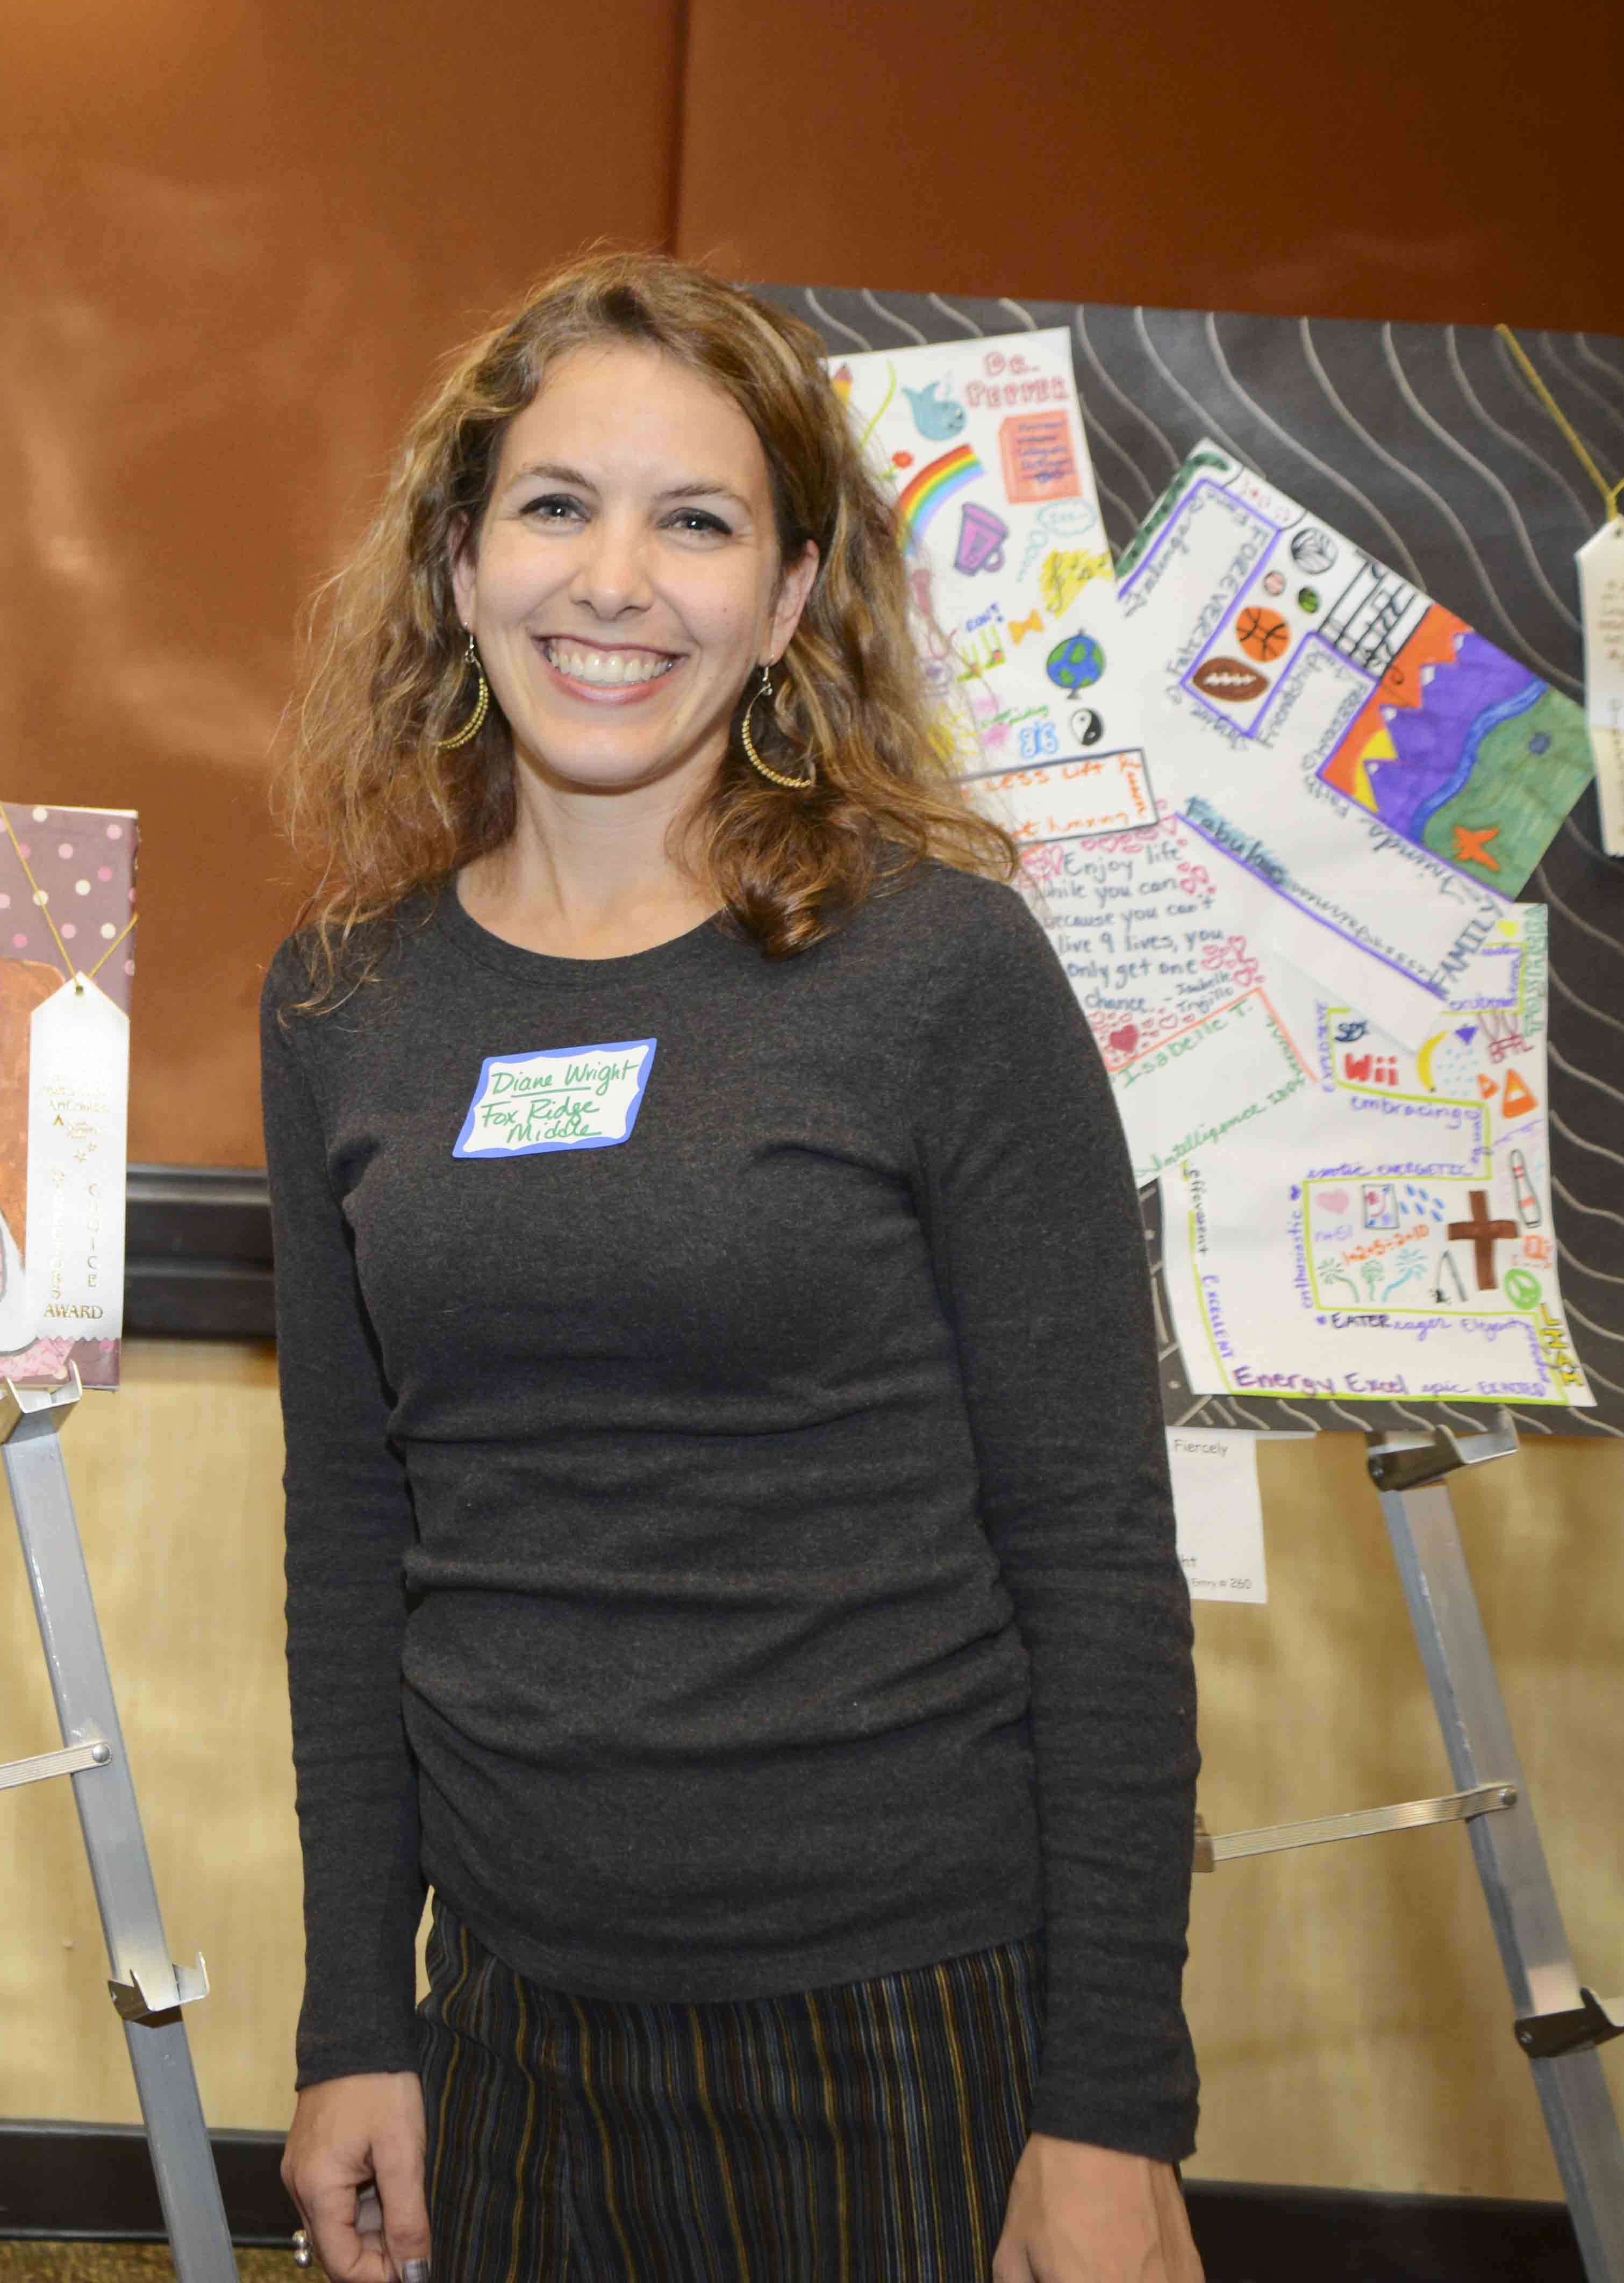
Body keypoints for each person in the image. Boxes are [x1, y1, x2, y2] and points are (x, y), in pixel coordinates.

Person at [260, 255, 1201, 2283]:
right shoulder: (345, 1001)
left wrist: (1114, 2108)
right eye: (556, 506)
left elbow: (1099, 1553)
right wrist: (358, 2020)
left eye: (695, 522)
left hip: (902, 2028)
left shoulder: (938, 970)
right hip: (507, 2021)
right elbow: (350, 1535)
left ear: (788, 604)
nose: (614, 583)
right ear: (460, 563)